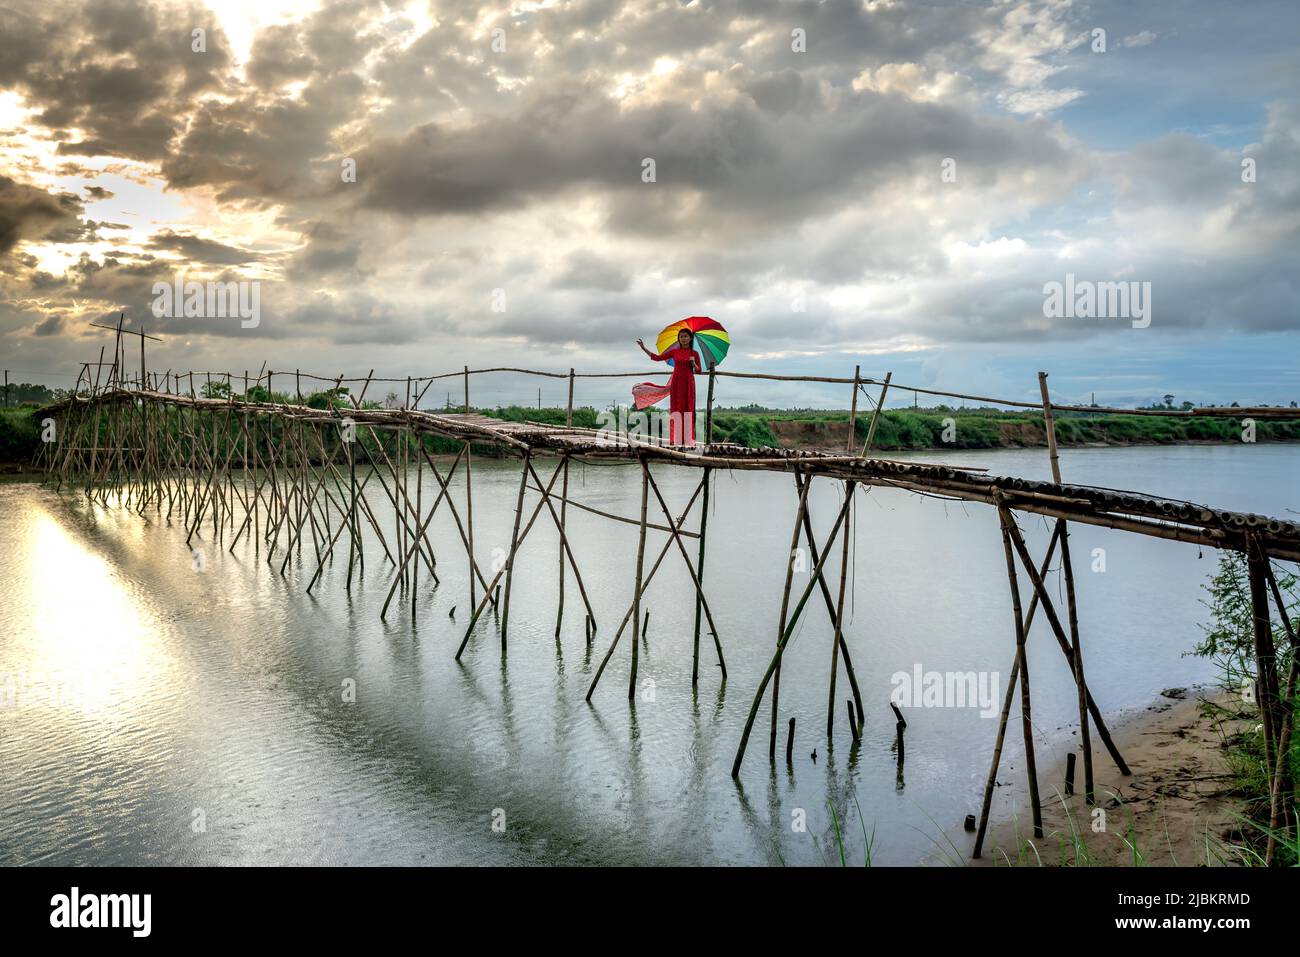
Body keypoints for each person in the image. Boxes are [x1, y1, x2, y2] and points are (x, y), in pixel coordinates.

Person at [633, 329, 701, 445]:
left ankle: (688, 439)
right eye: (681, 337)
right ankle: (677, 438)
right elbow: (657, 358)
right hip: (677, 383)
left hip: (689, 383)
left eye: (686, 336)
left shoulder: (694, 353)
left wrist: (693, 363)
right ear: (678, 339)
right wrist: (644, 348)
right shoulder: (675, 352)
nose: (683, 339)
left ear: (690, 338)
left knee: (688, 408)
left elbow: (698, 371)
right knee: (677, 408)